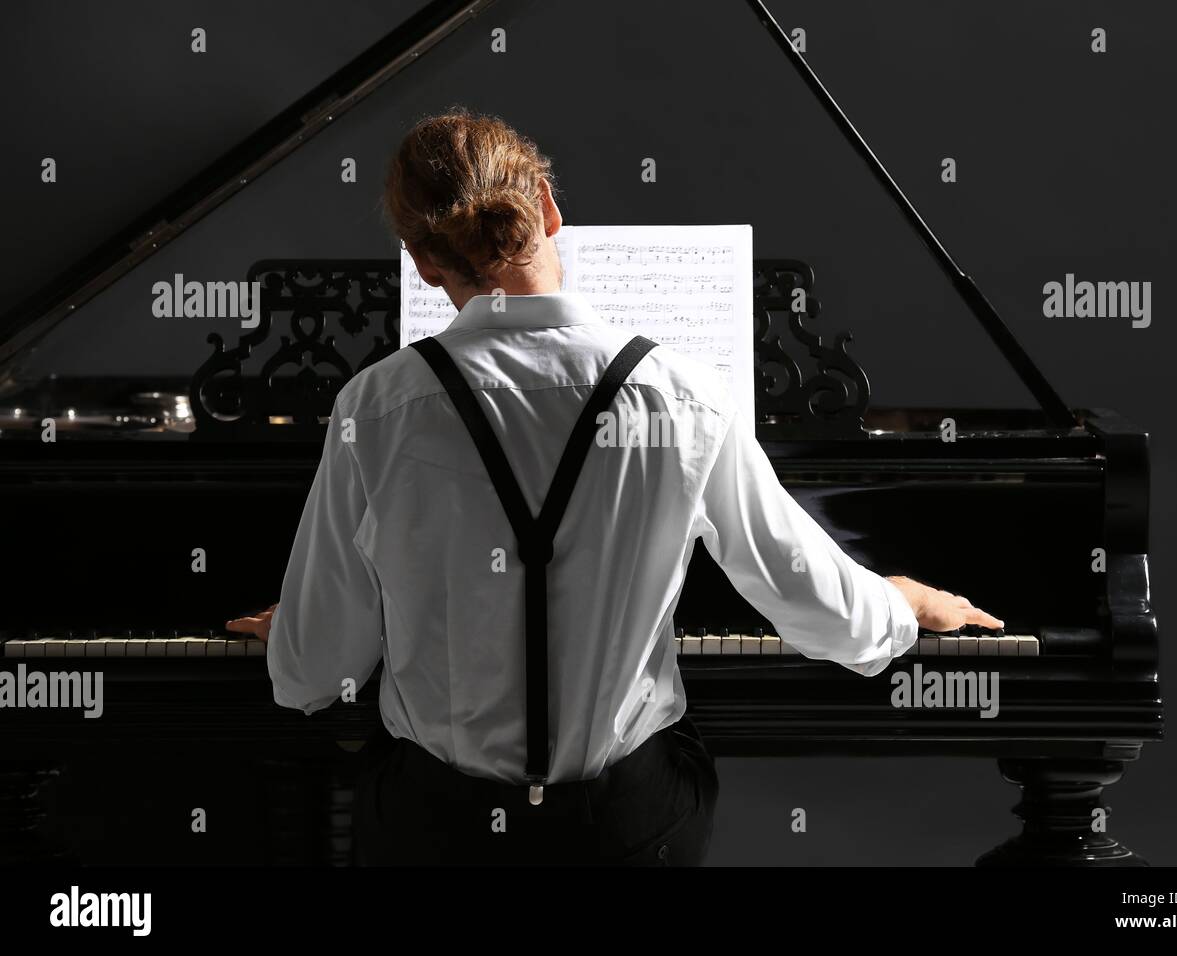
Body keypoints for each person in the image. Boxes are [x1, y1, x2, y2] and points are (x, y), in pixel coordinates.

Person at [227, 108, 1001, 866]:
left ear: (426, 265)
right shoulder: (681, 394)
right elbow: (823, 610)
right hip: (622, 831)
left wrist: (302, 632)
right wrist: (901, 602)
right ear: (549, 210)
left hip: (441, 830)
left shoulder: (377, 407)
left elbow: (313, 677)